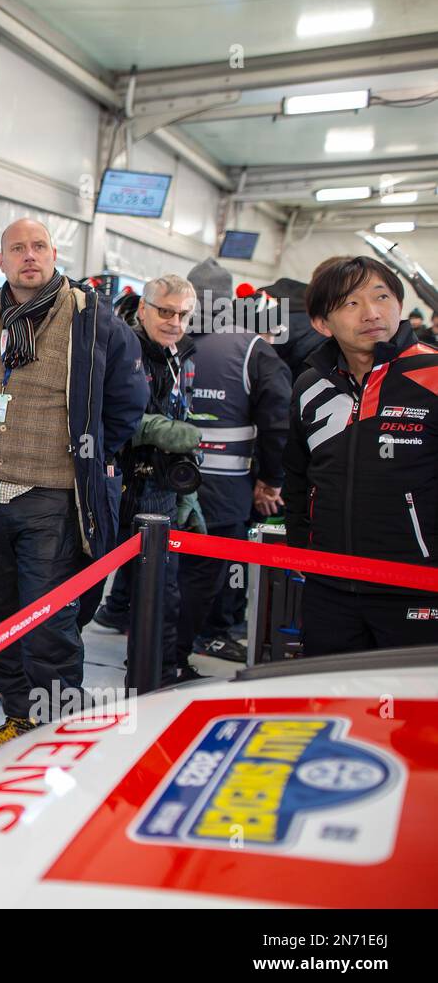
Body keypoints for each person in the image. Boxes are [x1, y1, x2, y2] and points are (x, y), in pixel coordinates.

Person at [0, 218, 147, 753]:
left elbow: (128, 400)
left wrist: (88, 453)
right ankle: (17, 716)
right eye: (17, 249)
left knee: (50, 620)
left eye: (38, 246)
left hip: (54, 495)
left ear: (54, 253)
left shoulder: (92, 318)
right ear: (1, 262)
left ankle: (55, 730)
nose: (29, 256)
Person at [284, 255, 438, 656]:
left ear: (399, 304)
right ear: (322, 322)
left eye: (381, 296)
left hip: (418, 588)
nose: (371, 312)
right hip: (329, 589)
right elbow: (298, 476)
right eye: (350, 303)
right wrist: (304, 550)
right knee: (331, 706)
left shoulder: (433, 375)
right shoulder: (310, 384)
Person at [173, 258, 291, 667]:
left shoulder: (166, 333)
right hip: (227, 484)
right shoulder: (251, 348)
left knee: (163, 567)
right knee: (211, 572)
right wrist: (272, 480)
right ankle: (192, 646)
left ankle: (153, 648)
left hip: (164, 481)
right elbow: (278, 421)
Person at [116, 275, 204, 686]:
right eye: (165, 311)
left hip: (162, 488)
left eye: (183, 314)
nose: (174, 321)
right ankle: (43, 686)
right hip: (117, 485)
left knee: (163, 589)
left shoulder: (181, 354)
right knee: (77, 591)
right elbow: (108, 416)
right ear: (144, 309)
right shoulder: (122, 348)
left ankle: (158, 671)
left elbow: (181, 414)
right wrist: (156, 428)